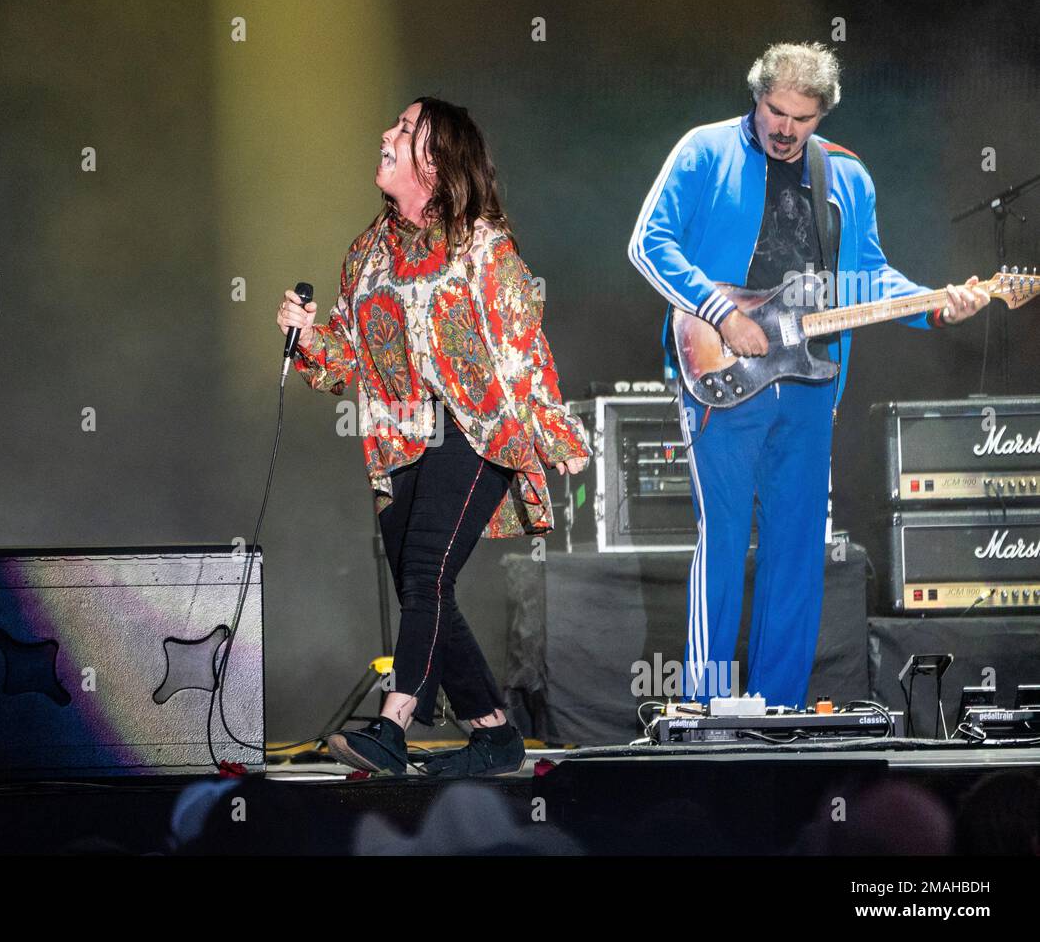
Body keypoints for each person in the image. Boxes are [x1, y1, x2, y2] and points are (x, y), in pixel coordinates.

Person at [628, 42, 989, 709]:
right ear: (756, 97)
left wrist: (936, 306)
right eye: (774, 110)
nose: (784, 128)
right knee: (725, 538)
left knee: (797, 551)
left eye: (802, 117)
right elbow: (648, 242)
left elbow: (869, 276)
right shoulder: (704, 150)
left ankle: (778, 710)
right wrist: (717, 311)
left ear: (822, 115)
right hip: (722, 372)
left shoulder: (847, 175)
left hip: (812, 379)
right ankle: (705, 709)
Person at [276, 96, 590, 776]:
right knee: (428, 593)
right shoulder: (365, 253)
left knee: (425, 572)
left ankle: (393, 728)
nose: (386, 134)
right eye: (393, 125)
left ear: (438, 160)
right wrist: (305, 339)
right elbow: (349, 360)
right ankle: (494, 733)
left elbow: (520, 344)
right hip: (399, 440)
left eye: (405, 129)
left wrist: (556, 430)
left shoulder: (483, 244)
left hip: (476, 431)